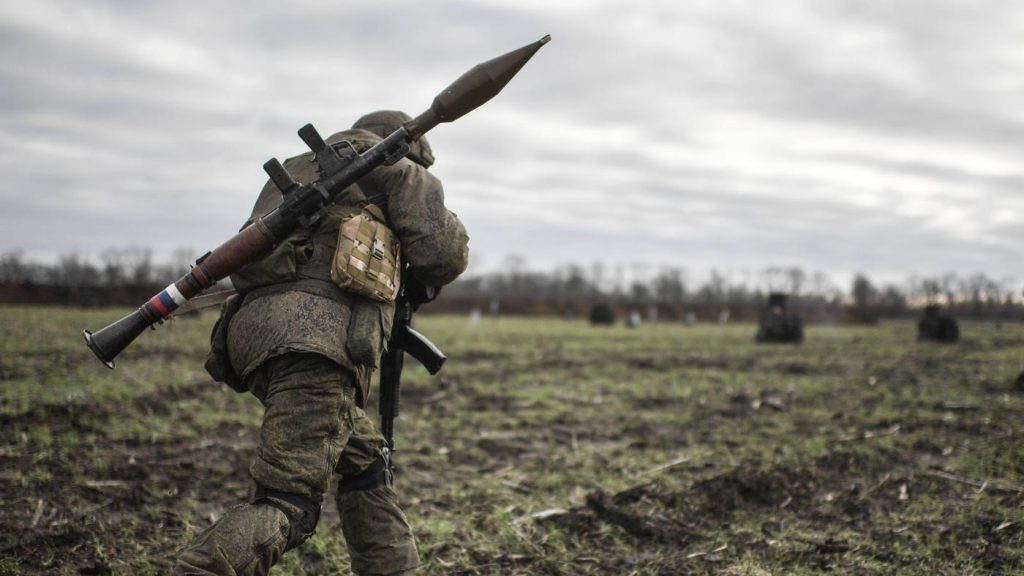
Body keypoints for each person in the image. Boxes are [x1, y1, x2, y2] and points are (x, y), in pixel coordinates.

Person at [175, 110, 469, 576]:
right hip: (318, 341)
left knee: (364, 460)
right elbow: (441, 256)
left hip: (249, 337)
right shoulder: (403, 171)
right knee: (289, 503)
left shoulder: (296, 168)